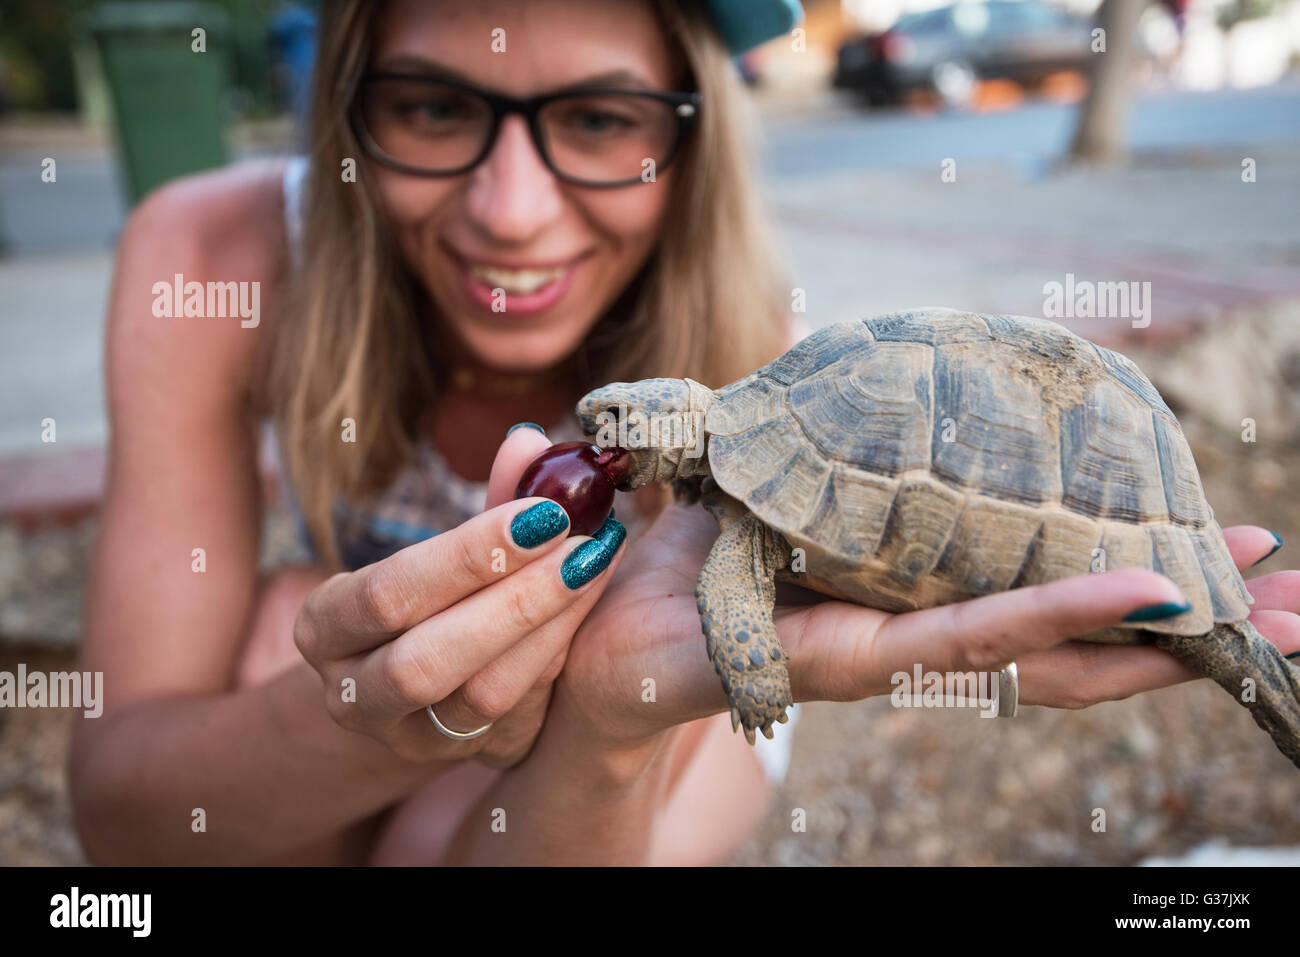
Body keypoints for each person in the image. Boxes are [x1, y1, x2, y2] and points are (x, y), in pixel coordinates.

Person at [69, 0, 1299, 866]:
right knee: (283, 630)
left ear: (691, 136)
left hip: (645, 744)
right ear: (340, 99)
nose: (510, 212)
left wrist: (606, 723)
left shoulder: (757, 356)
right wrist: (364, 718)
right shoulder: (205, 256)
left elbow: (727, 616)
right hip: (317, 734)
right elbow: (123, 826)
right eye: (433, 105)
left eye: (601, 120)